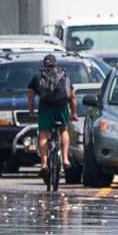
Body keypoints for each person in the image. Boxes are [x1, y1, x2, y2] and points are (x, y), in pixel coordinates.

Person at [27, 53, 75, 184]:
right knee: (63, 130)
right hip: (61, 107)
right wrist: (73, 113)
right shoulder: (64, 75)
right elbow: (72, 97)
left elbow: (30, 97)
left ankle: (44, 164)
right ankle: (65, 159)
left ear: (44, 64)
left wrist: (31, 111)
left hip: (45, 109)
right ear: (55, 63)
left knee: (43, 135)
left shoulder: (38, 77)